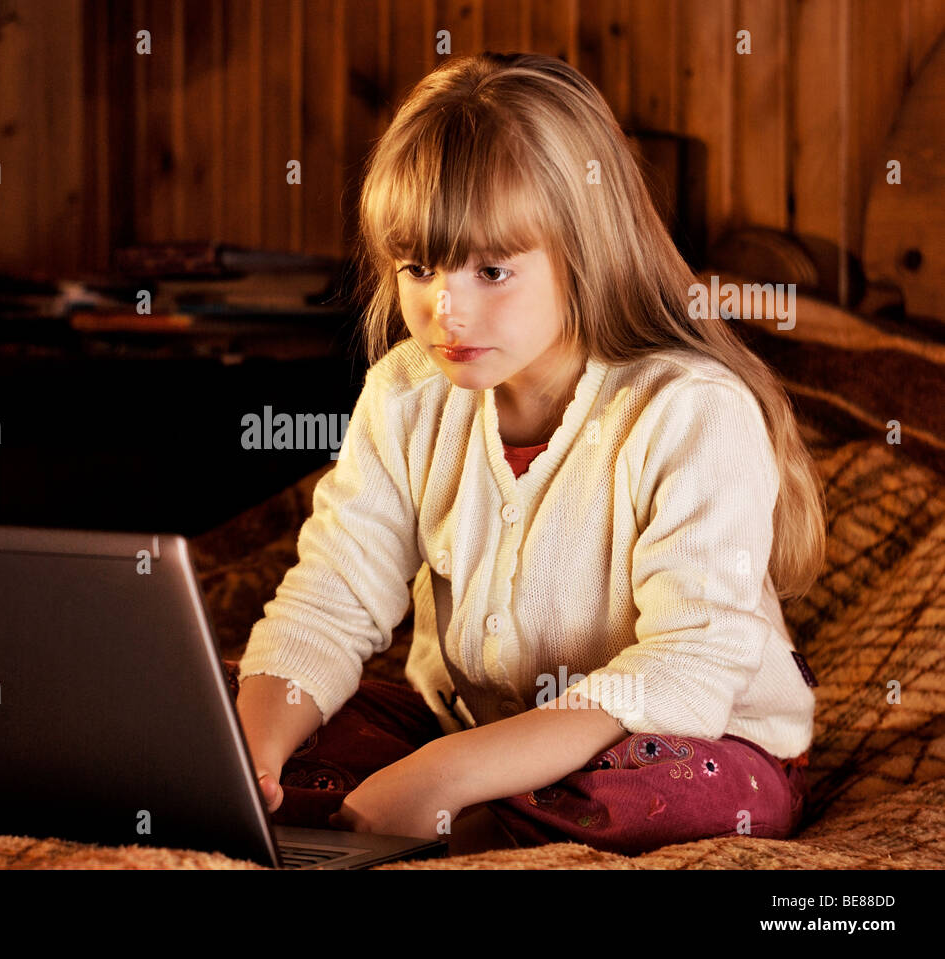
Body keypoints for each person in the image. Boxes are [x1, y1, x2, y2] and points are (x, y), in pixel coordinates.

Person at [232, 52, 826, 857]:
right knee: (244, 708)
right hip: (474, 726)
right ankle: (415, 807)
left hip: (684, 739)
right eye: (418, 267)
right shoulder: (406, 393)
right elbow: (330, 599)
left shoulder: (691, 410)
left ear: (584, 250)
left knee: (684, 789)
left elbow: (687, 665)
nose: (447, 308)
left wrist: (447, 775)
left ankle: (471, 824)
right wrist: (252, 756)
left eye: (491, 269)